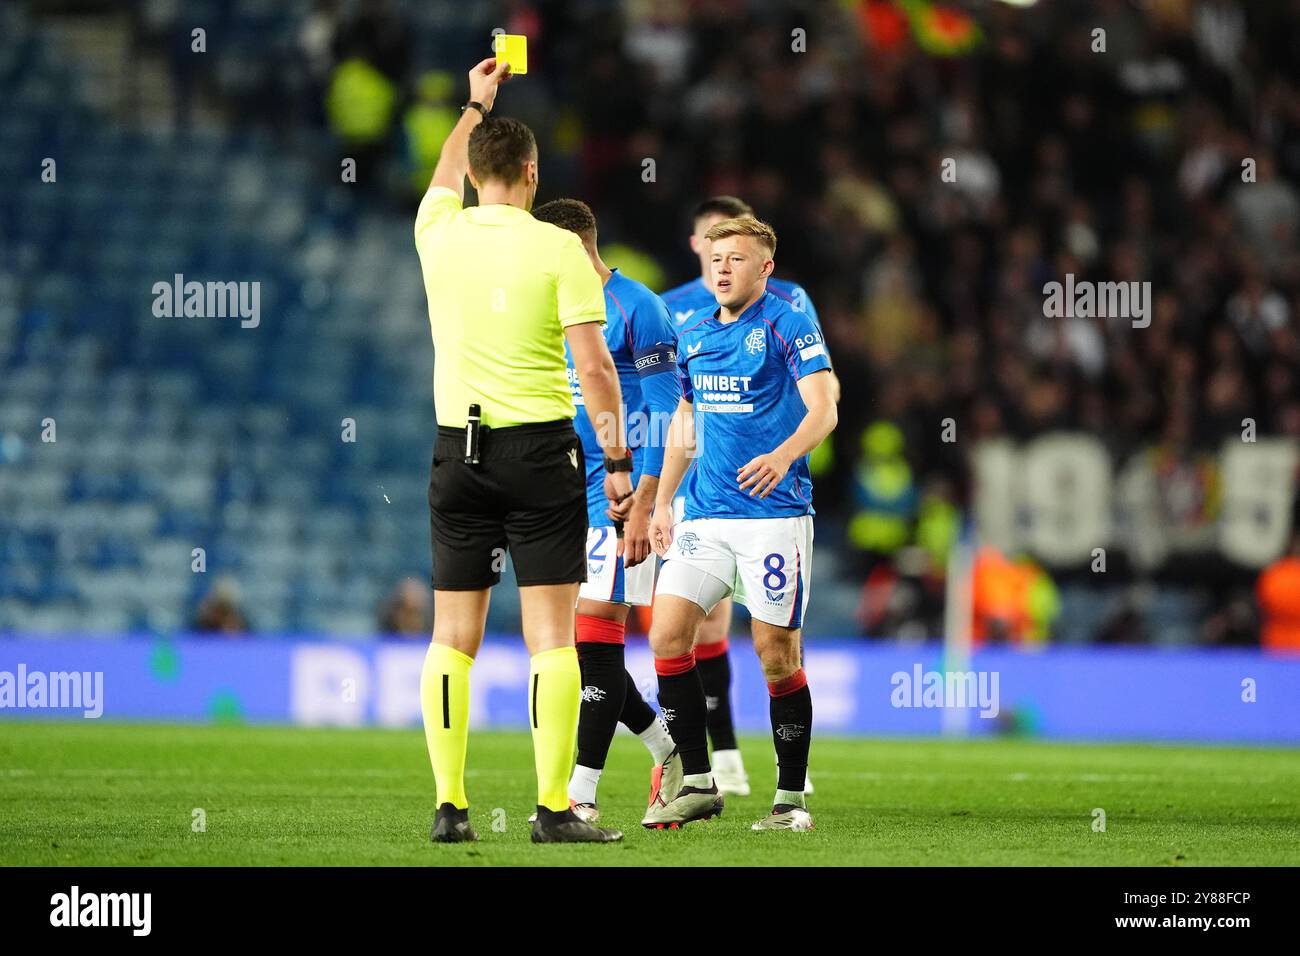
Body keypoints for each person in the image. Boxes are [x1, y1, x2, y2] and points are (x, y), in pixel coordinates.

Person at [412, 56, 631, 845]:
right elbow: (596, 368)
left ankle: (449, 808)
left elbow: (443, 168)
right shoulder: (559, 252)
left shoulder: (436, 232)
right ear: (534, 175)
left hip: (456, 455)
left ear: (473, 177)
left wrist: (474, 104)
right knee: (551, 639)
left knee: (452, 639)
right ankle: (550, 810)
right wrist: (616, 463)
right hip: (540, 456)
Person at [641, 216, 837, 831]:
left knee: (775, 655)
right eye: (717, 257)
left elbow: (826, 407)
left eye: (738, 258)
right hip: (705, 517)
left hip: (774, 519)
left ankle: (790, 801)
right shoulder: (692, 331)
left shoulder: (788, 323)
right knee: (667, 638)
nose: (723, 267)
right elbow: (683, 421)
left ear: (765, 267)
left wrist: (783, 457)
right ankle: (699, 782)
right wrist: (663, 500)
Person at [530, 198, 683, 821]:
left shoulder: (637, 308)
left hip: (616, 496)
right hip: (557, 487)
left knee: (595, 638)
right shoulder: (551, 307)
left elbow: (666, 413)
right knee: (574, 647)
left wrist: (646, 500)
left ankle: (581, 797)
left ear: (571, 247)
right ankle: (668, 750)